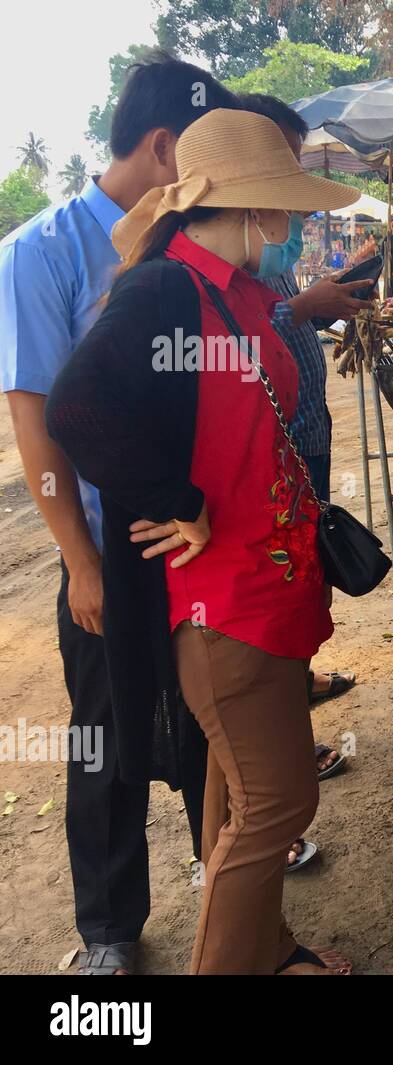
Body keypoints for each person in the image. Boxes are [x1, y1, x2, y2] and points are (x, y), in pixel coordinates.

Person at [46, 108, 360, 975]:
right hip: (225, 601)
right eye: (284, 202)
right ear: (251, 205)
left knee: (235, 791)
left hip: (269, 585)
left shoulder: (234, 287)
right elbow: (76, 408)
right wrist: (175, 497)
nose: (291, 222)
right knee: (278, 803)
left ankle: (269, 947)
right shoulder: (165, 290)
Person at [0, 52, 237, 977]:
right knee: (109, 727)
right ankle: (109, 927)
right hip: (110, 541)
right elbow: (35, 414)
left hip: (186, 530)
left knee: (196, 705)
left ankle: (222, 859)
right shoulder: (43, 251)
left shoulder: (182, 237)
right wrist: (80, 561)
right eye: (203, 150)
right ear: (164, 143)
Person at [236, 93, 366, 736]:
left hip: (305, 430)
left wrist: (320, 302)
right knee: (286, 577)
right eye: (284, 157)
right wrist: (307, 307)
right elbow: (247, 330)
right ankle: (285, 719)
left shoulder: (270, 237)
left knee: (304, 575)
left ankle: (297, 687)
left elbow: (273, 318)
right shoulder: (217, 262)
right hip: (277, 445)